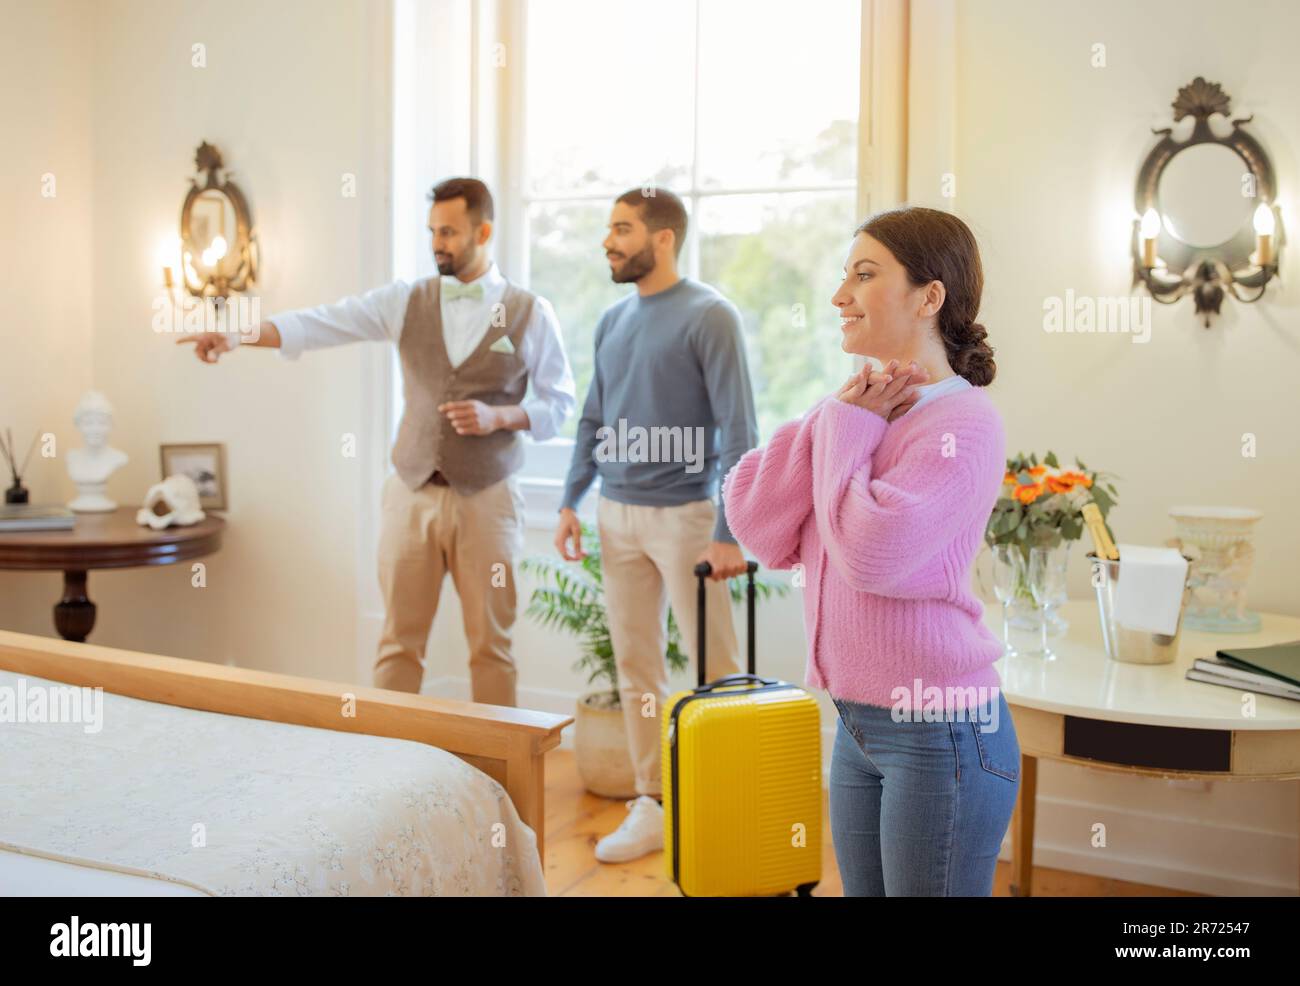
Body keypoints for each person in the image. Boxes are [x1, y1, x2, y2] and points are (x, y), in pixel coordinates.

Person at [178, 177, 576, 707]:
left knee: (492, 648)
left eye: (451, 232)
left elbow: (561, 403)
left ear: (484, 231)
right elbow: (323, 323)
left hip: (489, 499)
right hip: (409, 493)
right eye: (433, 231)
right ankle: (386, 768)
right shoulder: (404, 300)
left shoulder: (531, 311)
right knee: (398, 643)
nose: (438, 243)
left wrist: (501, 415)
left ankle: (500, 779)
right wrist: (237, 335)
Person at [721, 206, 1018, 896]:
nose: (838, 296)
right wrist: (839, 416)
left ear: (929, 295)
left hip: (938, 730)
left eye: (864, 275)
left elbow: (871, 555)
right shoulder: (856, 410)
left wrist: (848, 428)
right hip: (857, 722)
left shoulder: (964, 423)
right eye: (842, 275)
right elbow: (755, 519)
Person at [555, 187, 759, 863]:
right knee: (636, 668)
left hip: (688, 520)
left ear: (663, 237)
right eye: (608, 228)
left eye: (622, 228)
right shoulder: (613, 321)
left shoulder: (711, 315)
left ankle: (726, 804)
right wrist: (568, 500)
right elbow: (593, 416)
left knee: (716, 669)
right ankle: (653, 803)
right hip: (616, 516)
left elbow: (740, 431)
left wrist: (728, 530)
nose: (608, 242)